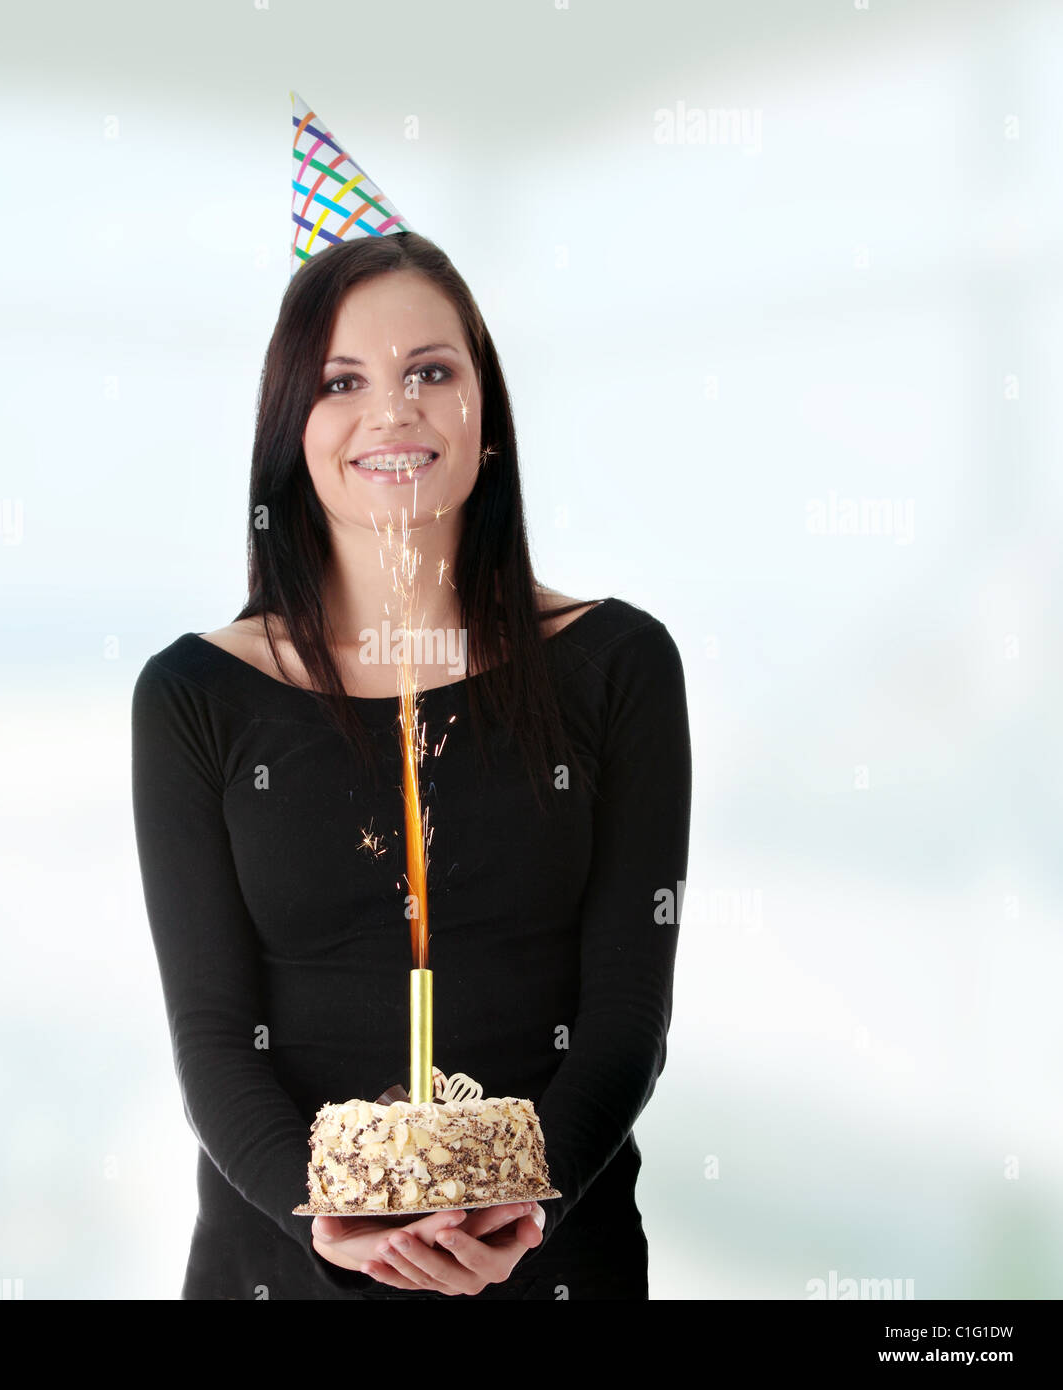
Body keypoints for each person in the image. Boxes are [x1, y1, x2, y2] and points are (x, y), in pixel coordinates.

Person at [131, 230, 692, 1299]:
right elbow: (211, 1040)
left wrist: (530, 1204)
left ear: (489, 416)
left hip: (556, 1264)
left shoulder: (616, 665)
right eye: (342, 380)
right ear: (293, 426)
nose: (391, 411)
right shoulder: (196, 695)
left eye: (429, 371)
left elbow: (626, 1014)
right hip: (282, 1269)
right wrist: (325, 1219)